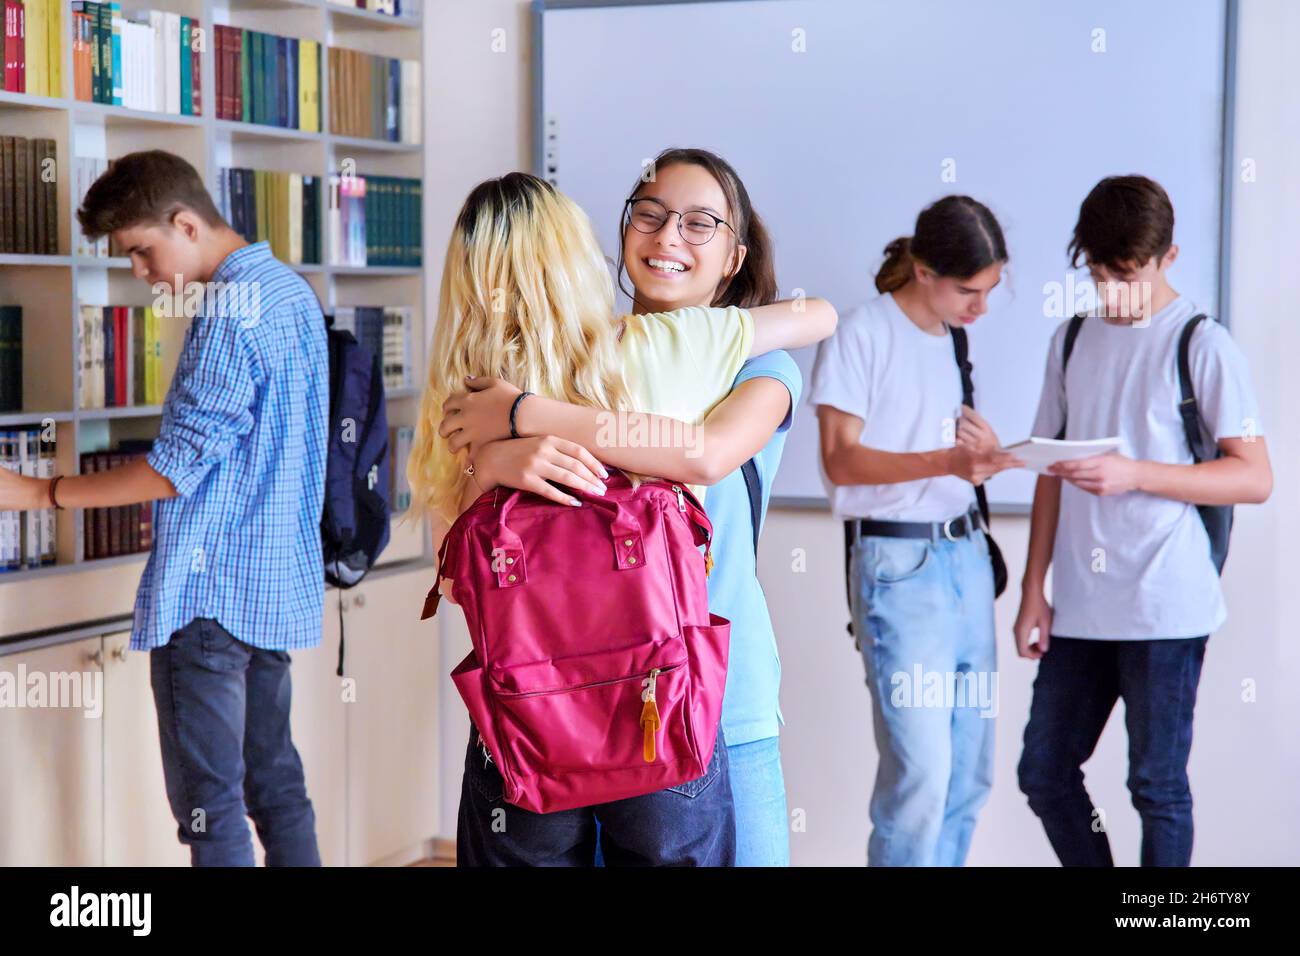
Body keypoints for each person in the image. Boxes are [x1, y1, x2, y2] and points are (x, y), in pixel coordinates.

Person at [411, 169, 834, 866]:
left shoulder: (748, 366)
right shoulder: (629, 355)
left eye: (700, 223)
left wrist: (517, 424)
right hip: (626, 702)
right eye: (650, 214)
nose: (669, 236)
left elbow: (703, 455)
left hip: (658, 704)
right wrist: (492, 462)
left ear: (736, 256)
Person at [0, 150, 329, 866]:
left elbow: (170, 472)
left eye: (143, 252)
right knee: (276, 787)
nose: (142, 274)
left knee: (211, 816)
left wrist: (36, 492)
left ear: (186, 224)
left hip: (209, 601)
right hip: (271, 593)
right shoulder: (291, 293)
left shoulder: (229, 316)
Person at [1015, 175, 1273, 867]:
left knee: (1156, 786)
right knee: (1043, 772)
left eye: (1126, 275)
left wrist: (1136, 473)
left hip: (1166, 604)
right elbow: (1049, 471)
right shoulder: (1070, 340)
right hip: (1079, 606)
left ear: (1169, 256)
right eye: (1099, 274)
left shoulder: (1202, 343)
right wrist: (1033, 588)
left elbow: (1254, 477)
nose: (1112, 293)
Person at [809, 195, 1020, 866]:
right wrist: (948, 461)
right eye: (969, 290)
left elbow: (952, 463)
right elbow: (840, 459)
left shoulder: (957, 340)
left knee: (968, 772)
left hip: (965, 560)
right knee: (922, 776)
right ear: (924, 270)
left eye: (991, 290)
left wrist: (982, 458)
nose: (980, 307)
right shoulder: (862, 334)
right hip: (898, 568)